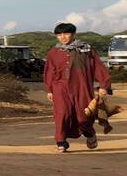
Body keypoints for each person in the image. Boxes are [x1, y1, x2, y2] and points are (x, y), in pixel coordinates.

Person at [44, 22, 112, 153]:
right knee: (62, 114)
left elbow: (98, 67)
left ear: (73, 34)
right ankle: (61, 141)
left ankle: (90, 134)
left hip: (81, 87)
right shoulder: (53, 52)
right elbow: (49, 71)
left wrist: (104, 85)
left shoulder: (86, 50)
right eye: (59, 34)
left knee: (84, 115)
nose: (63, 37)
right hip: (60, 87)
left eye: (66, 33)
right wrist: (49, 89)